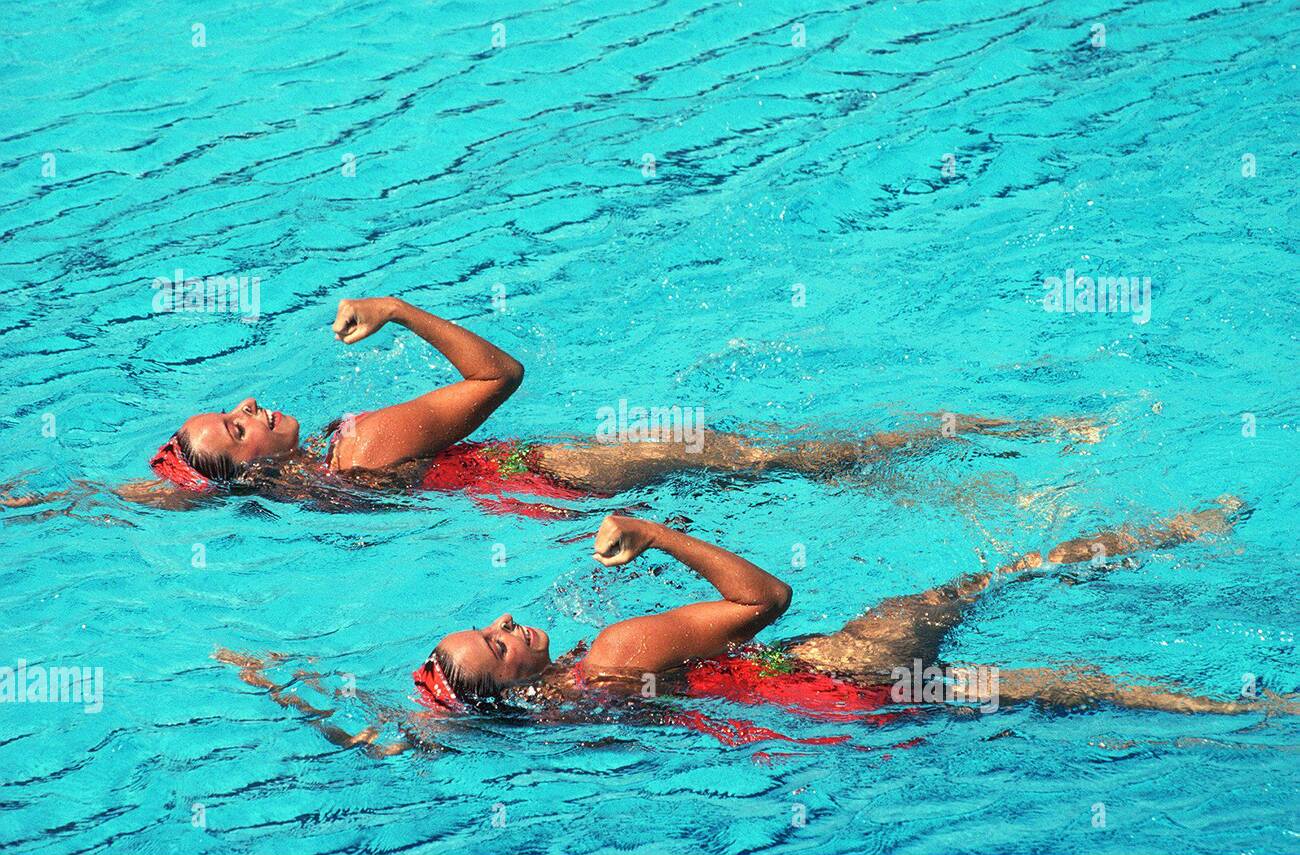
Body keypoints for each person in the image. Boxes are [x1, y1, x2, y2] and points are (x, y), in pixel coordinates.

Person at [217, 497, 1292, 757]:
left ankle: (1253, 712)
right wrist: (657, 532)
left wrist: (285, 689)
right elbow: (765, 601)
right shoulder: (616, 652)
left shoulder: (549, 719)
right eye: (498, 642)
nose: (506, 619)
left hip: (834, 724)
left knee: (1063, 690)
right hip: (836, 669)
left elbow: (402, 742)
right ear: (508, 679)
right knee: (988, 579)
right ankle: (1169, 529)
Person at [1, 296, 1099, 517]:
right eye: (240, 425)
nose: (250, 403)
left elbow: (166, 494)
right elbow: (499, 379)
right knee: (775, 455)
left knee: (769, 478)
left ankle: (943, 473)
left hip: (525, 508)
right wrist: (401, 309)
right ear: (250, 460)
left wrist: (42, 499)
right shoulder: (361, 440)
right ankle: (996, 441)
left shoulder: (297, 492)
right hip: (559, 471)